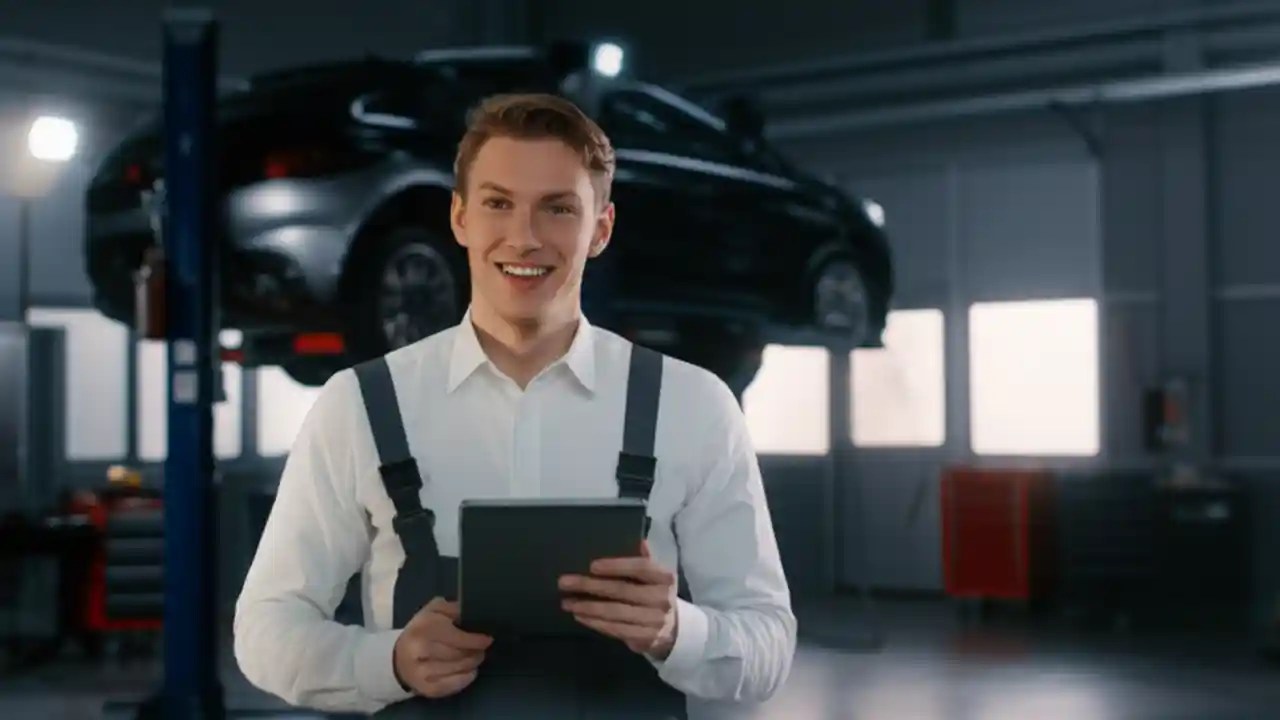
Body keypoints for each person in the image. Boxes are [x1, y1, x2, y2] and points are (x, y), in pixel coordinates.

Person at [233, 92, 797, 718]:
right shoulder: (362, 407)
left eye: (558, 209)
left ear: (600, 229)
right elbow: (265, 630)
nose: (524, 238)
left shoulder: (693, 406)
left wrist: (676, 632)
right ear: (460, 218)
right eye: (499, 203)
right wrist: (386, 663)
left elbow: (769, 642)